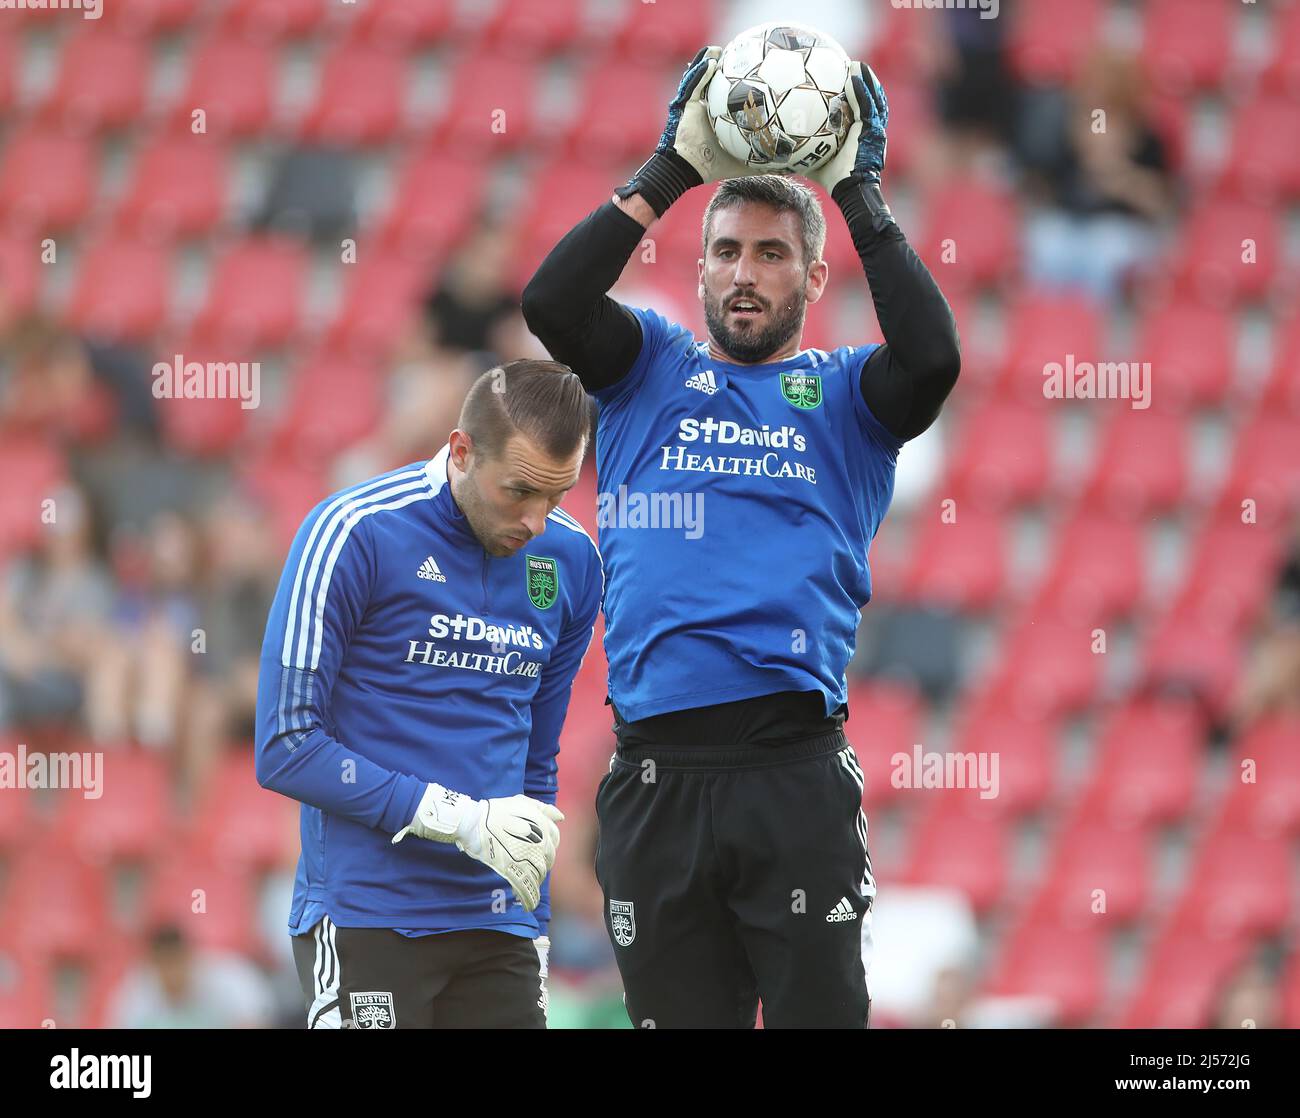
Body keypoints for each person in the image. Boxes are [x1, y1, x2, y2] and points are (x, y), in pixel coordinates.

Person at [522, 45, 960, 1028]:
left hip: (790, 775)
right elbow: (551, 303)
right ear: (699, 267)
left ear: (811, 273)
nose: (744, 274)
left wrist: (859, 197)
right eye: (725, 251)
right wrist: (668, 173)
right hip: (652, 781)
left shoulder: (845, 396)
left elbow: (931, 358)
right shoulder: (650, 370)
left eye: (769, 254)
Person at [255, 360, 604, 1029]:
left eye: (555, 496)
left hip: (499, 927)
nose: (536, 521)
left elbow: (536, 755)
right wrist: (461, 819)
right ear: (462, 451)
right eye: (519, 492)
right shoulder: (353, 532)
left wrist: (532, 916)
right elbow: (285, 745)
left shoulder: (572, 560)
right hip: (370, 917)